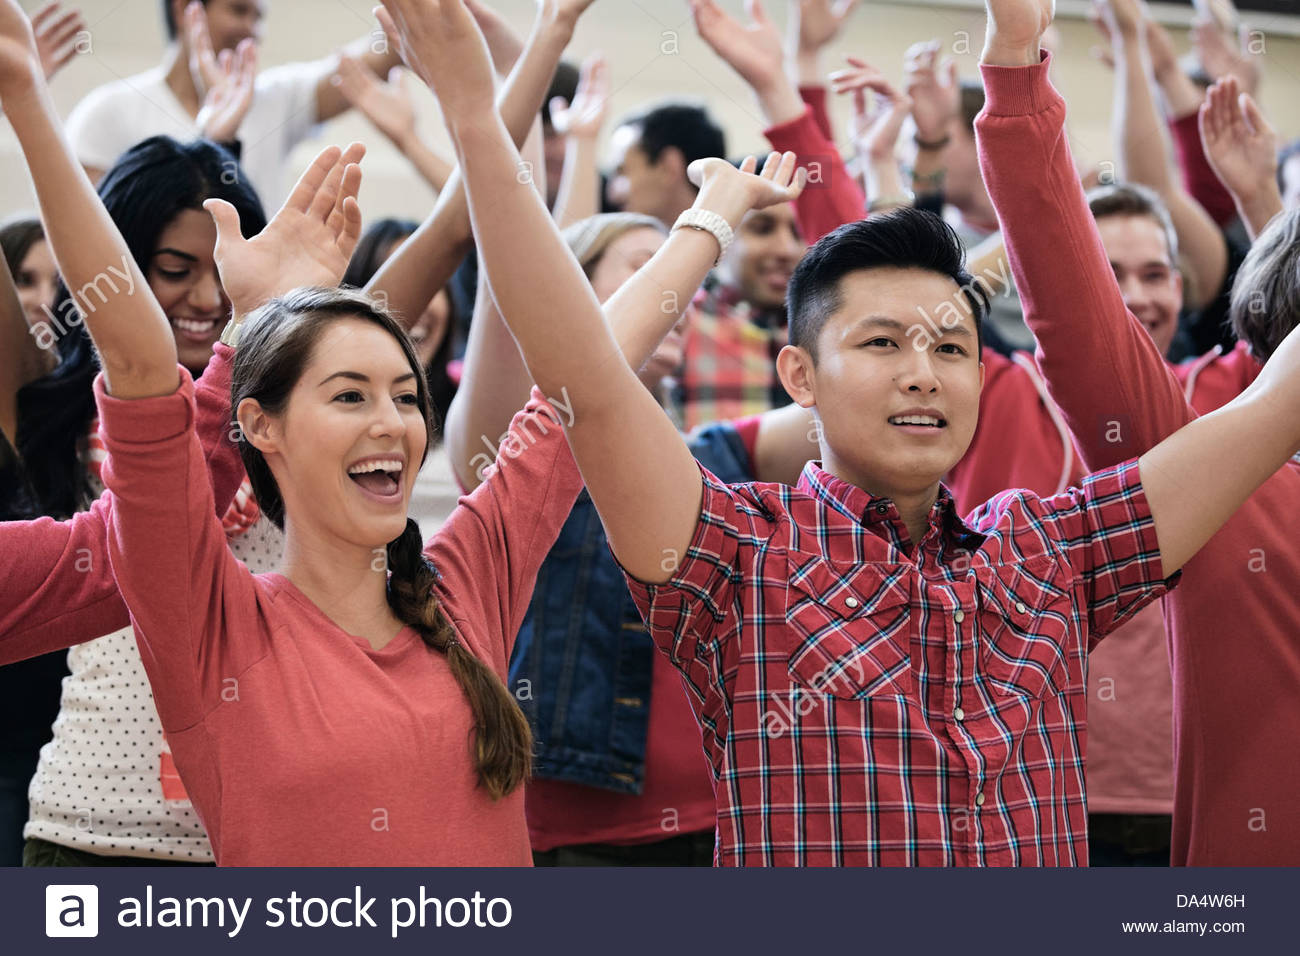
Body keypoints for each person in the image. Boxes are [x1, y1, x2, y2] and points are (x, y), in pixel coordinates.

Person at [397, 0, 1300, 866]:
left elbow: (1268, 412)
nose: (923, 370)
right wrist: (481, 125)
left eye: (951, 346)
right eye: (881, 343)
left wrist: (1019, 50)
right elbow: (584, 380)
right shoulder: (737, 554)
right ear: (800, 379)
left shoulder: (1046, 554)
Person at [977, 0, 1300, 866]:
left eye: (1156, 271)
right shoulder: (1225, 483)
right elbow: (1078, 316)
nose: (1141, 292)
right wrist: (1016, 76)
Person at [444, 209, 816, 865]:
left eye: (687, 276)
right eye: (644, 267)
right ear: (574, 293)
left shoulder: (722, 457)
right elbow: (516, 271)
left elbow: (848, 400)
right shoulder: (523, 454)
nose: (677, 295)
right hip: (582, 841)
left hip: (731, 822)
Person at [64, 0, 401, 205]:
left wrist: (415, 18)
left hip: (257, 317)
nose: (252, 29)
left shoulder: (273, 96)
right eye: (239, 9)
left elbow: (369, 62)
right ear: (184, 9)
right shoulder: (108, 111)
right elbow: (95, 229)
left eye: (259, 16)